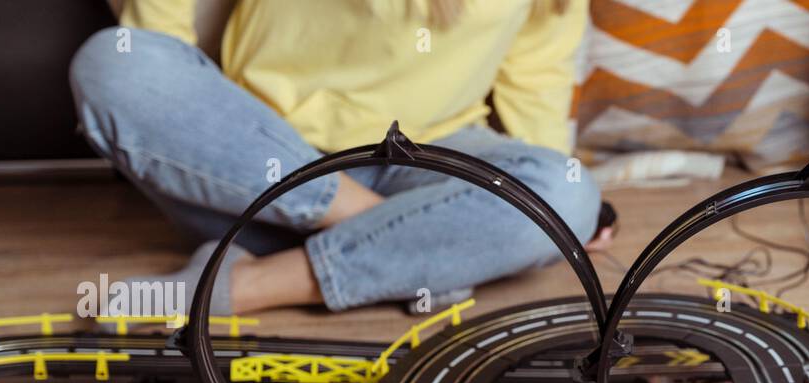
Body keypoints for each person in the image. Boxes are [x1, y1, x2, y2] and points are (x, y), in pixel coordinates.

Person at [69, 0, 605, 316]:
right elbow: (148, 56)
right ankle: (413, 251)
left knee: (565, 194)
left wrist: (560, 183)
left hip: (425, 157)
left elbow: (537, 74)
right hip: (256, 168)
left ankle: (245, 284)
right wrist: (175, 108)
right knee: (115, 63)